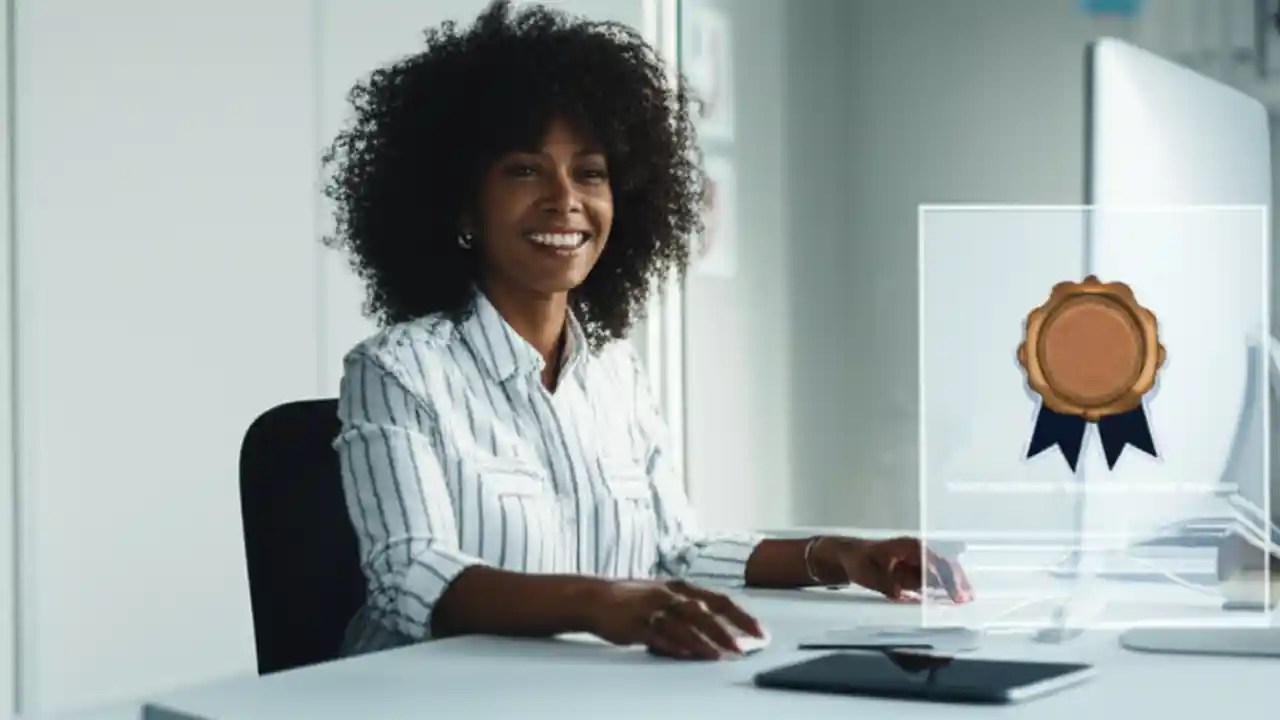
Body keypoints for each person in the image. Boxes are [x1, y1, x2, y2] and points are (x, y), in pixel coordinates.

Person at [321, 0, 972, 662]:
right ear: (462, 202)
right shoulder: (397, 371)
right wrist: (605, 602)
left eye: (591, 173)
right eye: (524, 169)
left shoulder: (615, 374)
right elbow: (409, 577)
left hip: (585, 693)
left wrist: (838, 555)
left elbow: (675, 552)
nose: (564, 198)